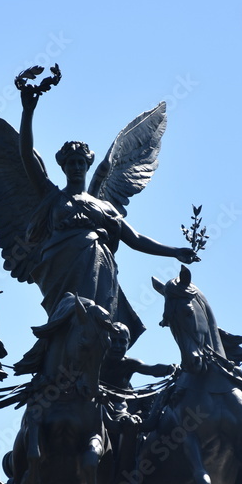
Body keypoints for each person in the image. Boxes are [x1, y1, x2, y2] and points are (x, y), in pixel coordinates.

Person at [18, 81, 196, 345]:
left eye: (80, 162)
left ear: (87, 164)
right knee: (67, 321)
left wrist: (174, 251)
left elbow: (134, 239)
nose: (76, 167)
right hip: (61, 268)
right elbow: (25, 154)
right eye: (71, 163)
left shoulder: (104, 206)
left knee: (99, 323)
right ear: (63, 166)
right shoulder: (52, 196)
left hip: (99, 269)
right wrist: (28, 111)